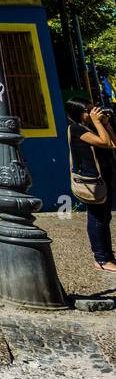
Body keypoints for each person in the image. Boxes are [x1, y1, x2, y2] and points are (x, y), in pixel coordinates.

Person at [66, 98, 116, 273]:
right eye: (88, 110)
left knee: (105, 218)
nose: (93, 112)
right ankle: (101, 259)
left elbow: (113, 144)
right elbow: (104, 143)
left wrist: (106, 124)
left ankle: (108, 255)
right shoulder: (76, 129)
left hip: (105, 177)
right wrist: (97, 123)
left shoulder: (93, 127)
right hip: (92, 181)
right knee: (97, 219)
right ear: (78, 113)